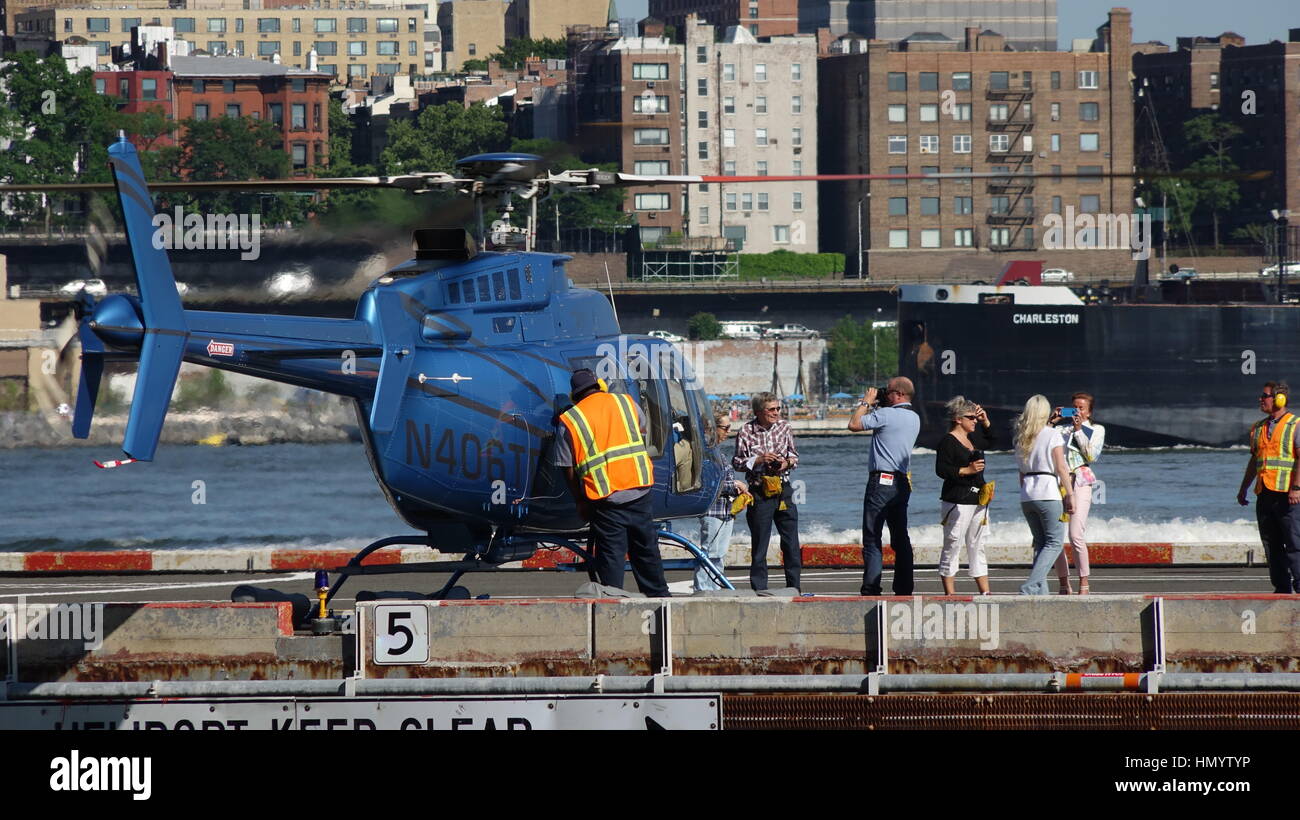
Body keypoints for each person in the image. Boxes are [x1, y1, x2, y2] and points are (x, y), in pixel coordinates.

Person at [555, 369, 669, 597]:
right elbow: (642, 428)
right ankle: (661, 600)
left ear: (574, 395)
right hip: (638, 486)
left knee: (611, 555)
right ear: (598, 385)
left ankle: (612, 601)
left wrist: (579, 501)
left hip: (605, 496)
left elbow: (566, 466)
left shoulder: (570, 419)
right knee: (646, 550)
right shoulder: (625, 402)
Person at [849, 376, 920, 596]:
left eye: (887, 391)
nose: (884, 393)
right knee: (900, 537)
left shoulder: (885, 415)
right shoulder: (915, 417)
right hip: (902, 482)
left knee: (872, 536)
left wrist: (866, 402)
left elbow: (853, 424)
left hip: (881, 481)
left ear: (898, 394)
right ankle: (904, 587)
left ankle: (871, 587)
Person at [732, 392, 801, 591]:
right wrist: (759, 460)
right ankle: (760, 589)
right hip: (759, 490)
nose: (776, 413)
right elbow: (737, 462)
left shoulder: (784, 427)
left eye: (778, 408)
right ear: (759, 412)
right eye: (771, 409)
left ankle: (794, 587)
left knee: (790, 541)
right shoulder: (746, 431)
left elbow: (794, 455)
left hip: (783, 488)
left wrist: (785, 463)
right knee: (760, 542)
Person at [1236, 381, 1300, 594]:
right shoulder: (1258, 428)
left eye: (1265, 396)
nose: (1260, 399)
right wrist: (1244, 487)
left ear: (1279, 399)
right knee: (1271, 546)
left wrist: (1297, 488)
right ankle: (1282, 589)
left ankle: (1299, 586)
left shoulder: (1295, 425)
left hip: (1288, 496)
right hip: (1265, 493)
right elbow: (1255, 460)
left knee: (1294, 543)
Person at [934, 396, 995, 595]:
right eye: (971, 417)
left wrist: (986, 421)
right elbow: (941, 470)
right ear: (958, 419)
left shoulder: (973, 438)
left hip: (979, 499)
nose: (974, 421)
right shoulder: (948, 441)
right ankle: (950, 593)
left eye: (976, 418)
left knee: (978, 544)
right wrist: (965, 470)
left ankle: (985, 592)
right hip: (957, 500)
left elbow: (993, 440)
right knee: (953, 544)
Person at [1015, 394, 1076, 595]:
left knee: (1041, 544)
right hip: (1048, 491)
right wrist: (1070, 494)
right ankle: (1030, 586)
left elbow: (1021, 473)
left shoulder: (1021, 436)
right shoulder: (1053, 434)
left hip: (1027, 495)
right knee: (1055, 542)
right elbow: (1061, 467)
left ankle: (1041, 593)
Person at [1050, 392, 1106, 594]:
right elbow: (1042, 445)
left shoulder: (1096, 430)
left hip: (1081, 479)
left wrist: (1078, 430)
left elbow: (1092, 455)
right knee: (1055, 536)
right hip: (1058, 482)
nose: (1077, 411)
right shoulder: (1060, 429)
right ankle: (1064, 582)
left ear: (1090, 411)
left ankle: (1084, 581)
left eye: (1081, 408)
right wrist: (1051, 422)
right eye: (1074, 407)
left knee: (1075, 534)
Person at [695, 411, 749, 592]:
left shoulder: (716, 452)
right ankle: (703, 590)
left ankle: (715, 590)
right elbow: (707, 483)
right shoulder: (706, 452)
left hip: (724, 510)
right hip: (713, 511)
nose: (728, 432)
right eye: (725, 428)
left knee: (718, 555)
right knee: (709, 553)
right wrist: (734, 485)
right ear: (712, 428)